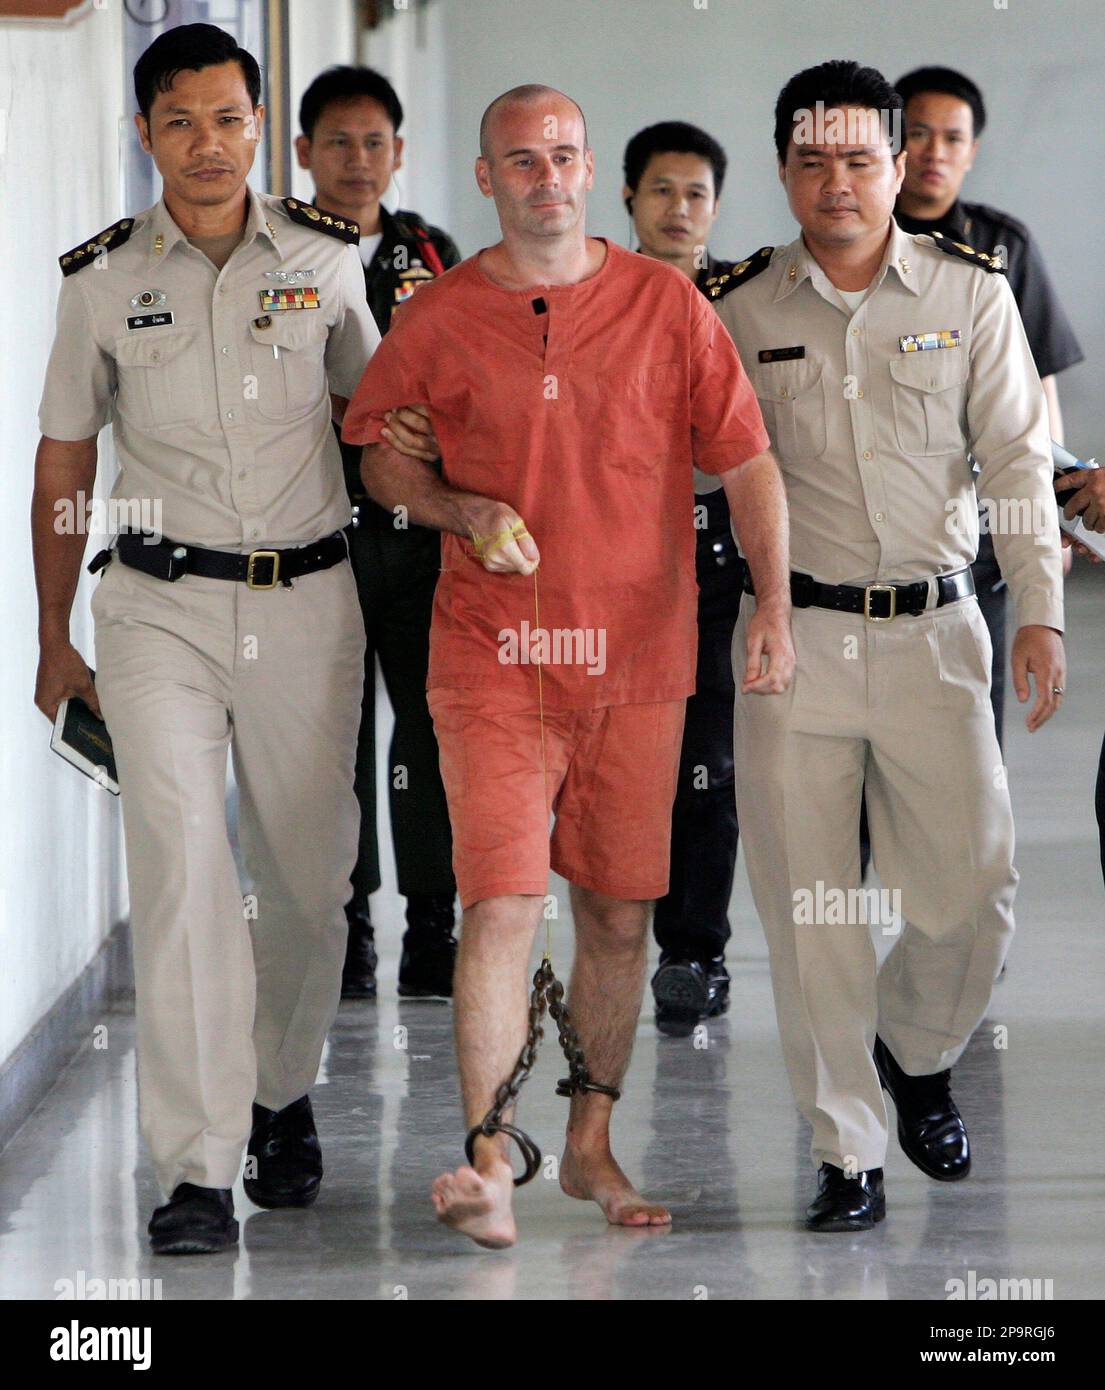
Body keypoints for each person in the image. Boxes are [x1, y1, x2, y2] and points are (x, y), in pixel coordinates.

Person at [342, 84, 793, 1248]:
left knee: (615, 918)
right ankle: (490, 1160)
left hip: (637, 661)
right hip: (491, 661)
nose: (544, 176)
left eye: (562, 156)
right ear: (484, 177)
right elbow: (380, 464)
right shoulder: (436, 315)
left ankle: (588, 1147)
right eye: (519, 160)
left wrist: (772, 606)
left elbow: (745, 463)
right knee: (500, 902)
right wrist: (456, 501)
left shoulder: (667, 305)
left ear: (591, 172)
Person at [31, 24, 389, 1254]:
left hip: (308, 602)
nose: (205, 143)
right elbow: (66, 458)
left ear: (258, 124)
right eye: (178, 120)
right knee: (183, 874)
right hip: (157, 607)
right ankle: (194, 1166)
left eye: (228, 117)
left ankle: (279, 1091)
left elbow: (379, 426)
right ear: (144, 135)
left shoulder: (331, 265)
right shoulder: (98, 280)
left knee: (305, 877)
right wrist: (52, 634)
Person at [713, 60, 1065, 1232]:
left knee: (976, 889)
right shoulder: (739, 307)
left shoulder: (971, 295)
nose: (836, 183)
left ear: (900, 165)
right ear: (781, 169)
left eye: (859, 159)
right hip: (792, 639)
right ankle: (846, 1150)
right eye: (811, 160)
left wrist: (1045, 609)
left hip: (936, 635)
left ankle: (913, 1053)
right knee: (813, 910)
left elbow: (1017, 465)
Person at [296, 65, 462, 1000]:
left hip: (416, 534)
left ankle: (431, 928)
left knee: (430, 732)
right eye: (338, 143)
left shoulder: (433, 257)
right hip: (315, 530)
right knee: (333, 737)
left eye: (374, 143)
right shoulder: (279, 252)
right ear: (303, 153)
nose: (357, 162)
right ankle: (350, 928)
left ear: (398, 152)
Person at [894, 65, 1083, 748]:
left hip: (981, 521)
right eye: (917, 133)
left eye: (952, 138)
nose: (934, 152)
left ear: (972, 151)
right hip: (883, 518)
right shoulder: (854, 240)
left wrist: (1049, 508)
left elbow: (1038, 395)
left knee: (972, 726)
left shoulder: (1002, 248)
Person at [621, 120, 742, 1036]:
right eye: (660, 189)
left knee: (708, 764)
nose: (679, 208)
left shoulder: (749, 300)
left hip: (712, 563)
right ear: (627, 198)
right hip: (606, 568)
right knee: (621, 765)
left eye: (696, 193)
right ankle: (614, 940)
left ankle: (693, 952)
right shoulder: (586, 295)